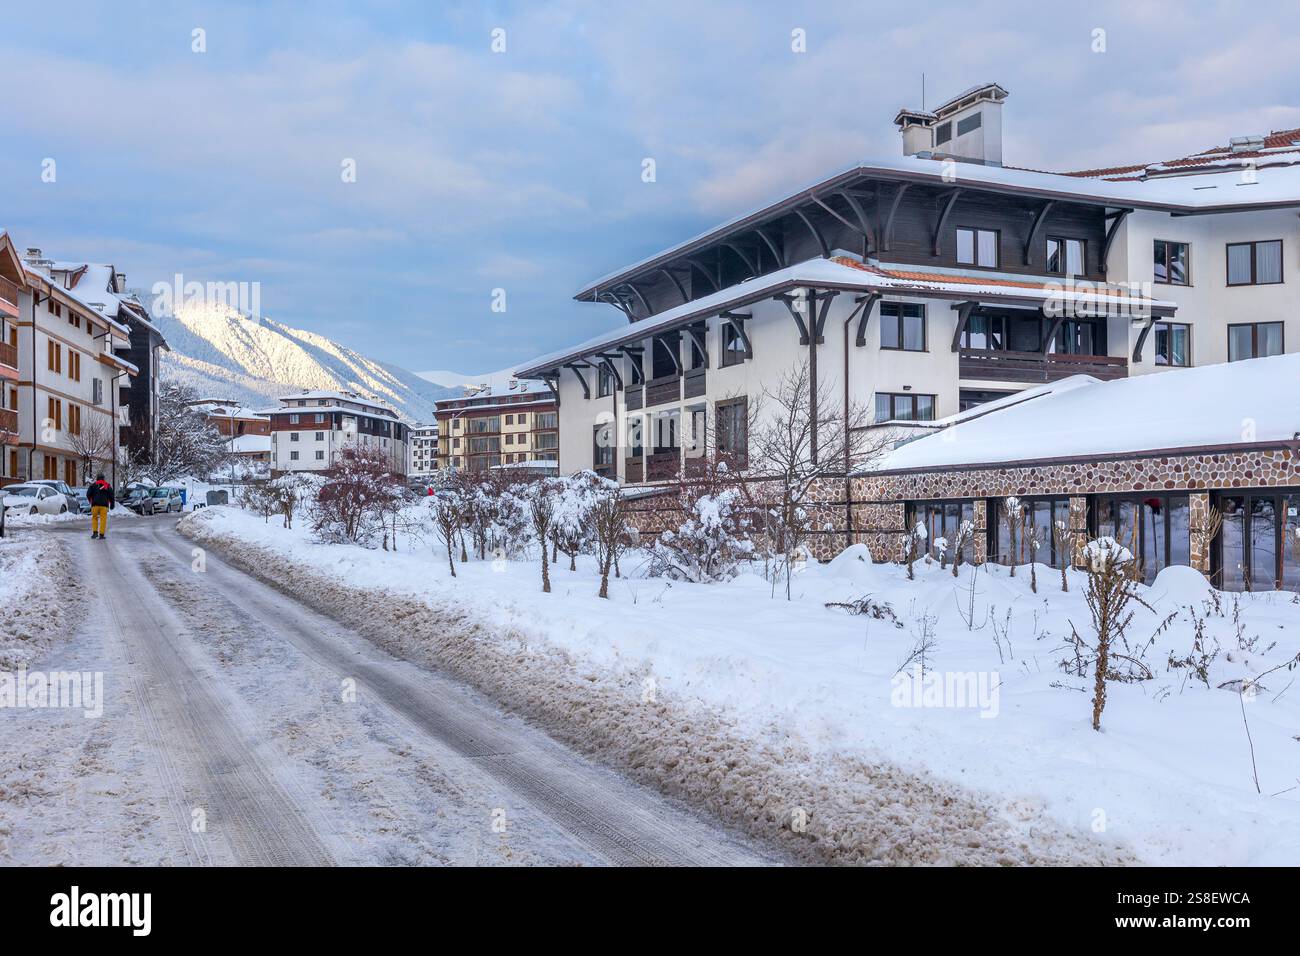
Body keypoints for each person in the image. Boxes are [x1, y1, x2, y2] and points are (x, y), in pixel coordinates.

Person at [87, 473, 114, 540]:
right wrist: (112, 504)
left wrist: (90, 501)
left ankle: (95, 533)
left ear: (97, 478)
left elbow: (88, 494)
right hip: (104, 506)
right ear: (103, 478)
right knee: (103, 520)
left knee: (94, 518)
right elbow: (111, 495)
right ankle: (101, 535)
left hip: (95, 505)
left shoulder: (93, 485)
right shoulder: (107, 485)